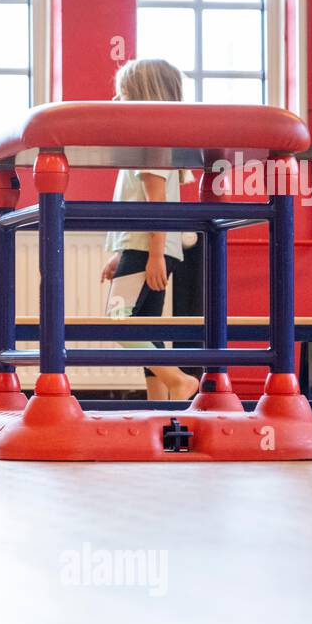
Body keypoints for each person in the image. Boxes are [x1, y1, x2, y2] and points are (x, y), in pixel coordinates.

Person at [99, 59, 200, 401]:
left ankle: (179, 380)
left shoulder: (148, 145)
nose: (115, 101)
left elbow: (156, 203)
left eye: (122, 94)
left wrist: (152, 255)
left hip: (149, 248)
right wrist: (121, 254)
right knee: (145, 326)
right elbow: (141, 206)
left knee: (116, 316)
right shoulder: (154, 144)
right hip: (145, 247)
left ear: (144, 96)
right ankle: (158, 405)